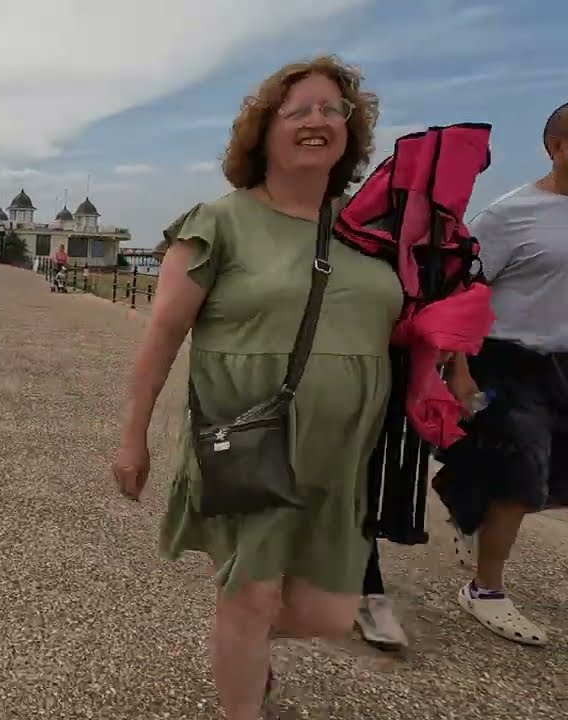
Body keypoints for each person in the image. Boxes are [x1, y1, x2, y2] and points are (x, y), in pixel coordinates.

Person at [110, 55, 446, 719]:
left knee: (327, 610)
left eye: (333, 110)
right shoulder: (219, 220)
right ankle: (243, 678)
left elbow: (409, 325)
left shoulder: (373, 231)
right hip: (251, 436)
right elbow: (162, 336)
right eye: (301, 111)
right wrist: (133, 436)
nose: (319, 120)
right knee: (254, 597)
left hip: (345, 451)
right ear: (264, 131)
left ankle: (243, 640)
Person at [431, 101, 568, 648]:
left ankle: (464, 500)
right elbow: (458, 290)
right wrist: (458, 372)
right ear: (557, 147)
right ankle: (485, 590)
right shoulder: (510, 215)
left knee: (556, 477)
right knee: (519, 478)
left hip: (564, 361)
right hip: (507, 357)